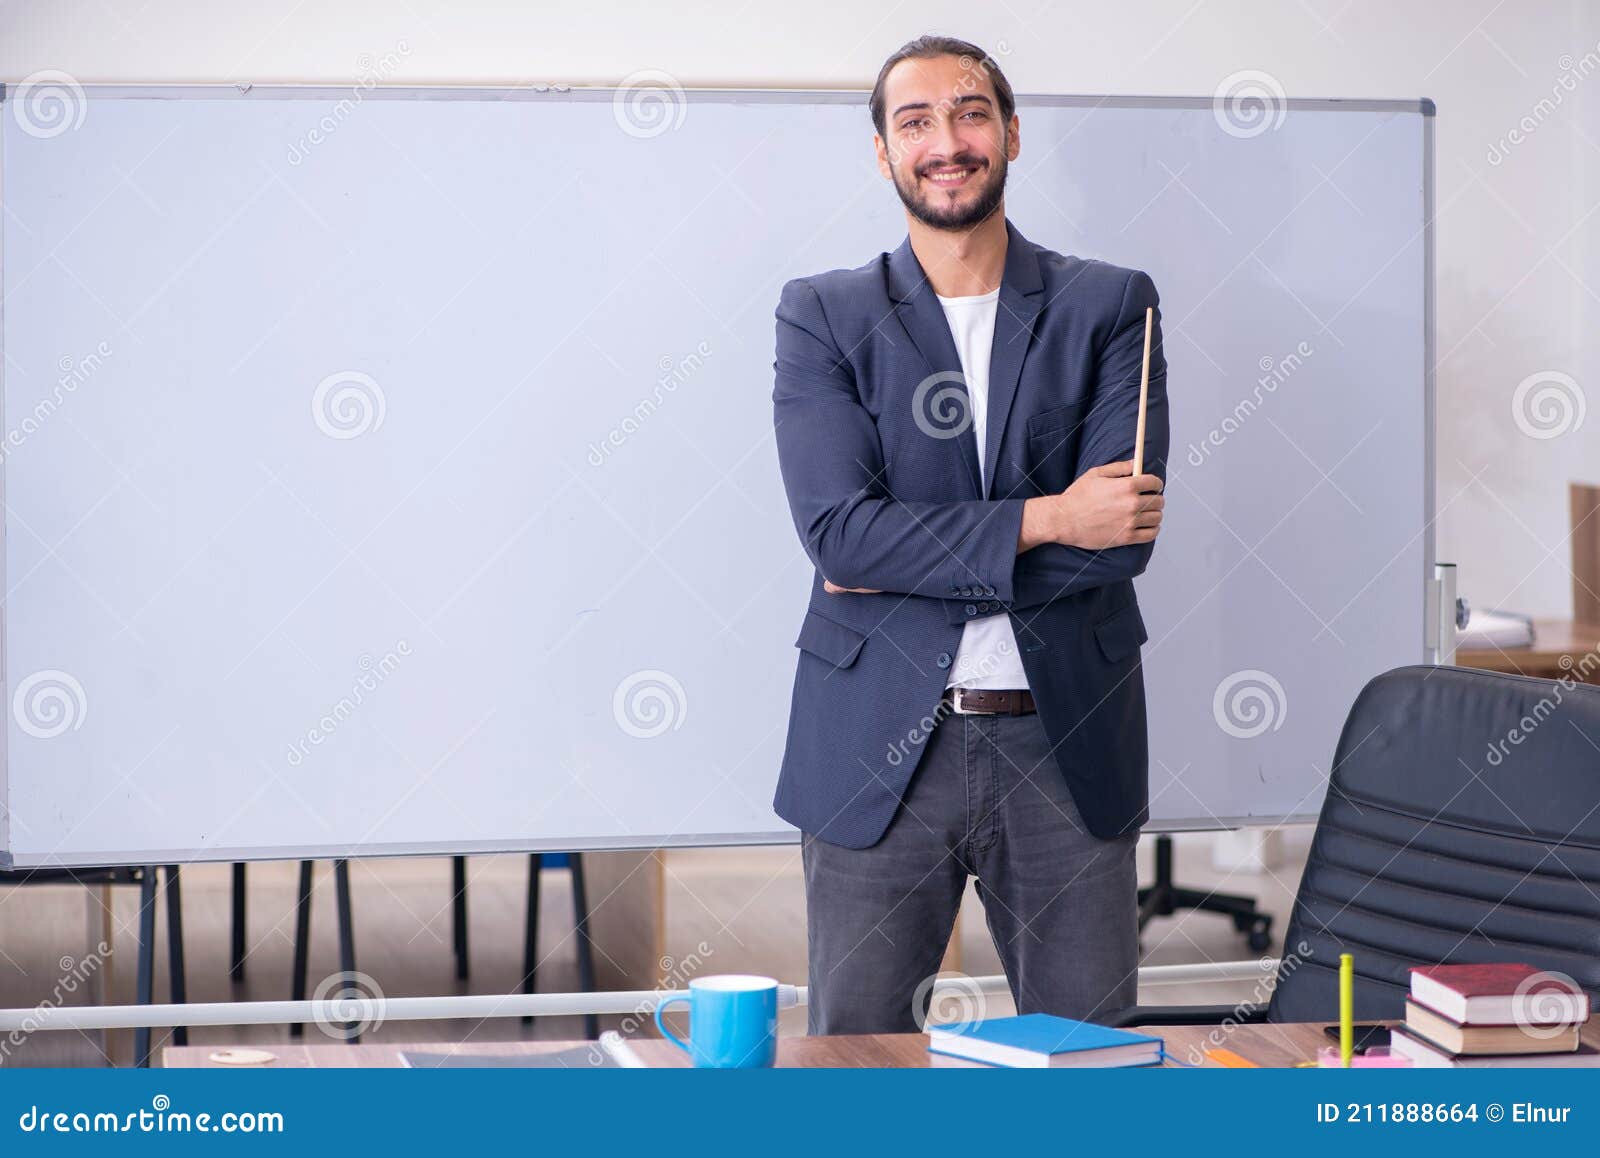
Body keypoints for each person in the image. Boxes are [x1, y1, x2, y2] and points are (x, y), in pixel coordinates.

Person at [770, 34, 1169, 1034]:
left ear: (1012, 133)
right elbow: (841, 539)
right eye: (915, 122)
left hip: (1063, 742)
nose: (946, 142)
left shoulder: (1109, 304)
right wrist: (1050, 518)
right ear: (883, 152)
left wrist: (902, 557)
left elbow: (1118, 542)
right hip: (873, 745)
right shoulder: (824, 314)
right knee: (859, 1071)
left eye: (970, 113)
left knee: (1087, 1069)